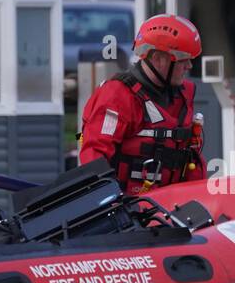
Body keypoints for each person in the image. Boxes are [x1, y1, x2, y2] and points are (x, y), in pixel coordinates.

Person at [79, 13, 205, 194]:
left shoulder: (184, 94)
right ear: (157, 58)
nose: (189, 66)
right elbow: (94, 157)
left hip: (176, 204)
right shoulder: (117, 96)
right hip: (134, 207)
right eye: (183, 59)